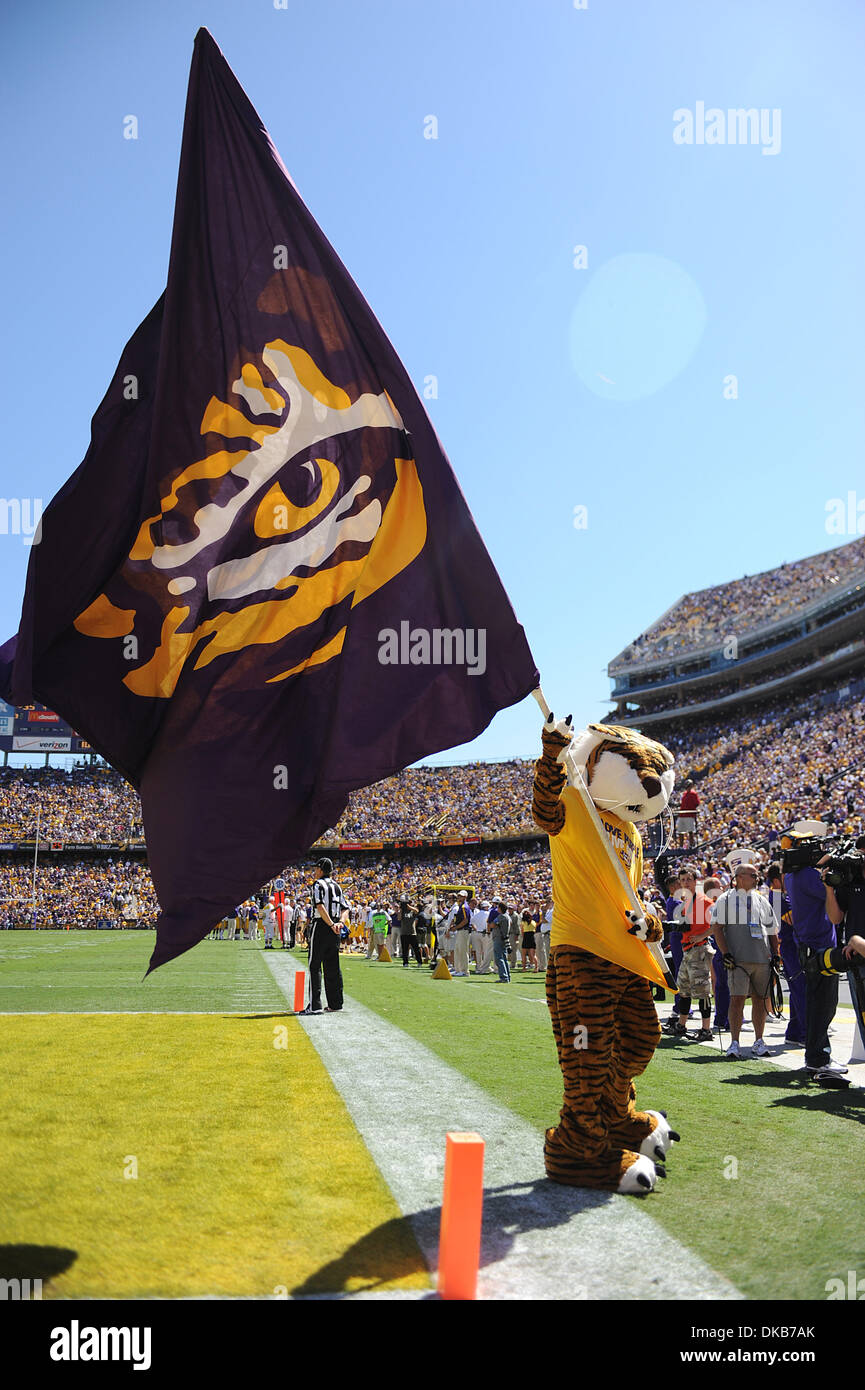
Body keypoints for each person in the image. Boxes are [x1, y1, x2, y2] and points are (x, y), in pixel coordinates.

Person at [784, 835, 846, 1077]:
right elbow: (835, 893)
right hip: (819, 947)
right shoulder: (808, 875)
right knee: (823, 1006)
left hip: (809, 945)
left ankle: (817, 1055)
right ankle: (818, 1058)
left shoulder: (792, 874)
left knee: (818, 1005)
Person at [711, 862, 781, 1059]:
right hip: (738, 960)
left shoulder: (762, 900)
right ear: (740, 877)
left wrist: (775, 954)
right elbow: (717, 928)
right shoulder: (725, 899)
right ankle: (734, 1042)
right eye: (753, 874)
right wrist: (725, 953)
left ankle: (759, 1040)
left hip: (762, 958)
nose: (757, 878)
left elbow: (771, 930)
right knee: (737, 1000)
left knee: (760, 1000)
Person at [668, 866, 714, 1041]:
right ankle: (682, 1025)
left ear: (696, 881)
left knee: (702, 991)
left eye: (688, 879)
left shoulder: (704, 900)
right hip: (687, 949)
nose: (685, 883)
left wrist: (701, 935)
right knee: (684, 990)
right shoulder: (687, 901)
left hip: (699, 948)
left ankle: (706, 1029)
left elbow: (718, 924)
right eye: (682, 880)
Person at [767, 862, 806, 1045]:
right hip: (790, 947)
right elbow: (795, 920)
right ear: (777, 880)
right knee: (801, 989)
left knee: (797, 990)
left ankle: (795, 1031)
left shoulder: (780, 897)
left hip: (789, 947)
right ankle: (805, 1032)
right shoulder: (778, 899)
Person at [302, 858, 348, 1014]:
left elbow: (320, 906)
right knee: (333, 966)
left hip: (322, 925)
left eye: (316, 869)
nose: (314, 872)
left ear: (321, 870)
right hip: (335, 928)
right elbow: (345, 908)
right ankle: (335, 1004)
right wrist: (339, 923)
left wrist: (330, 924)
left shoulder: (318, 885)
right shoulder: (337, 886)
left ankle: (315, 1006)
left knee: (314, 965)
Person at [451, 891, 472, 976]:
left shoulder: (464, 907)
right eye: (459, 895)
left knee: (463, 951)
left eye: (461, 896)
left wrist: (455, 927)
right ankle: (458, 969)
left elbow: (465, 920)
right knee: (458, 950)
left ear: (465, 897)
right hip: (460, 930)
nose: (459, 897)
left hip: (463, 930)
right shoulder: (461, 906)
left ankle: (464, 971)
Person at [398, 898, 423, 967]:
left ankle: (419, 962)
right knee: (405, 949)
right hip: (404, 932)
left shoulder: (412, 911)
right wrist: (401, 910)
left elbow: (416, 911)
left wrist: (409, 907)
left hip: (412, 932)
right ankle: (405, 962)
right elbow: (399, 918)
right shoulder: (402, 911)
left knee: (416, 948)